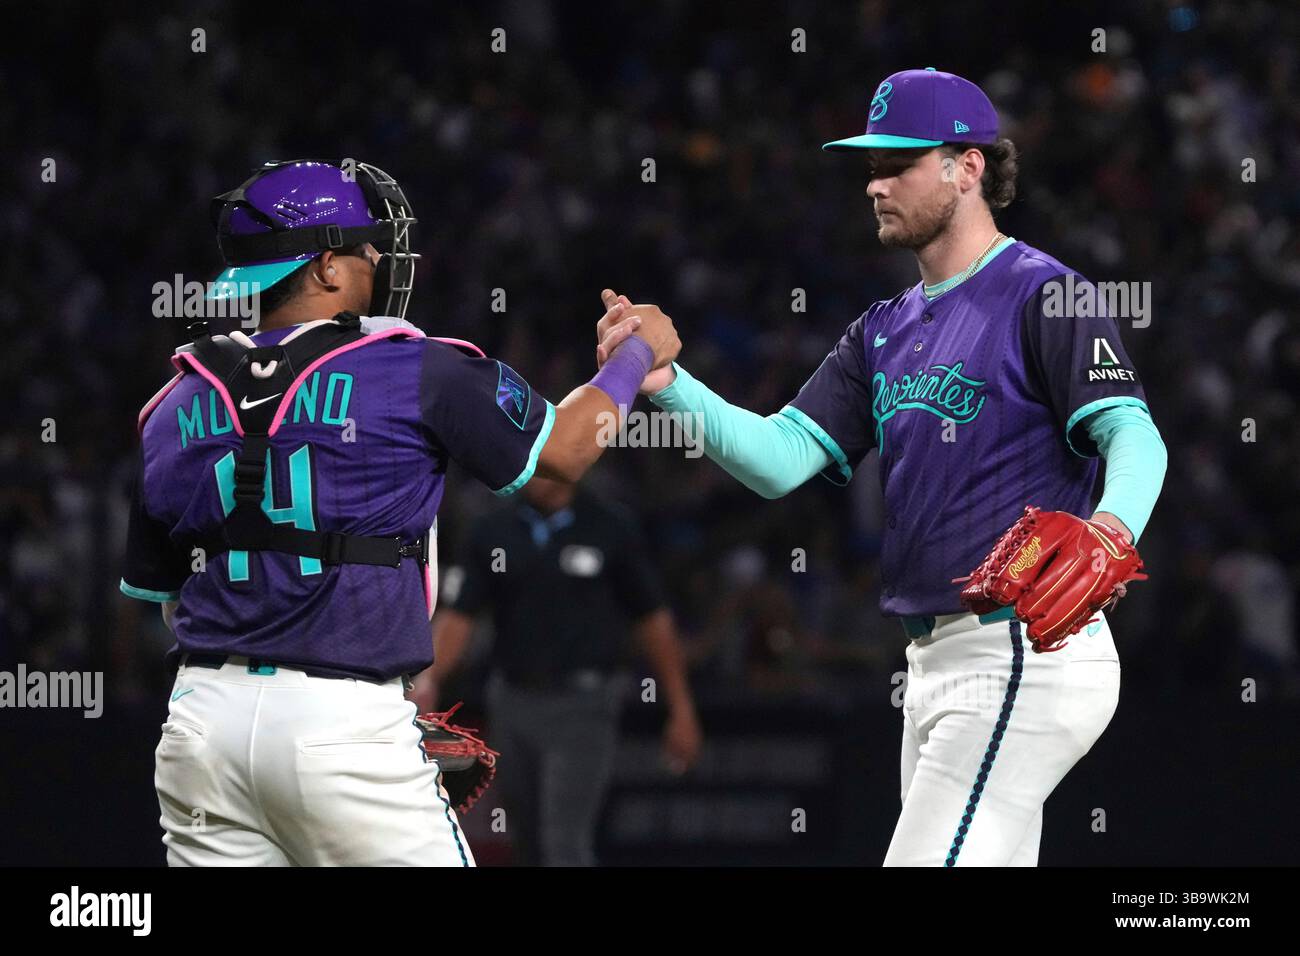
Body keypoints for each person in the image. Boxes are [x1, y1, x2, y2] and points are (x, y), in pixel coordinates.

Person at [595, 69, 1168, 866]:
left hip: (1023, 651)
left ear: (968, 167)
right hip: (932, 666)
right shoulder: (883, 329)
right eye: (870, 165)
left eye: (899, 161)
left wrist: (1108, 532)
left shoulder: (1043, 294)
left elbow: (1134, 435)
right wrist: (668, 384)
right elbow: (778, 459)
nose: (876, 183)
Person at [118, 159, 679, 866]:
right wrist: (632, 359)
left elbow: (167, 599)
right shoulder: (414, 368)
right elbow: (564, 454)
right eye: (363, 250)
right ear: (325, 267)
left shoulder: (170, 403)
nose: (380, 260)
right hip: (342, 724)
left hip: (200, 728)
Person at [414, 474, 702, 865]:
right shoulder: (493, 528)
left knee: (563, 842)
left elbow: (654, 621)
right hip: (512, 701)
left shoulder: (609, 526)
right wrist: (430, 677)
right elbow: (459, 616)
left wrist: (681, 708)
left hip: (584, 704)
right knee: (528, 843)